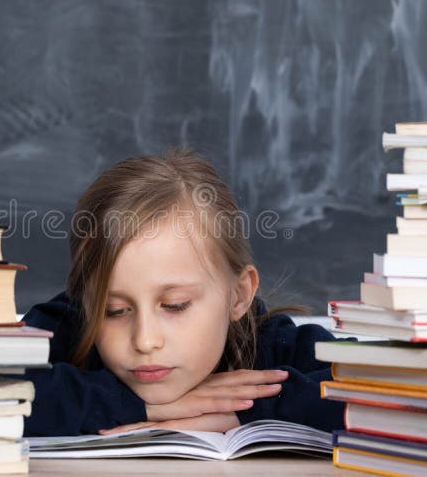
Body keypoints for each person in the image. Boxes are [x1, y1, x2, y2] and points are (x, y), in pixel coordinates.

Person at [19, 149, 345, 436]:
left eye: (175, 306)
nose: (145, 341)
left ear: (238, 296)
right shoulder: (71, 324)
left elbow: (388, 390)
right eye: (114, 310)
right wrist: (140, 406)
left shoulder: (272, 345)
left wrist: (242, 411)